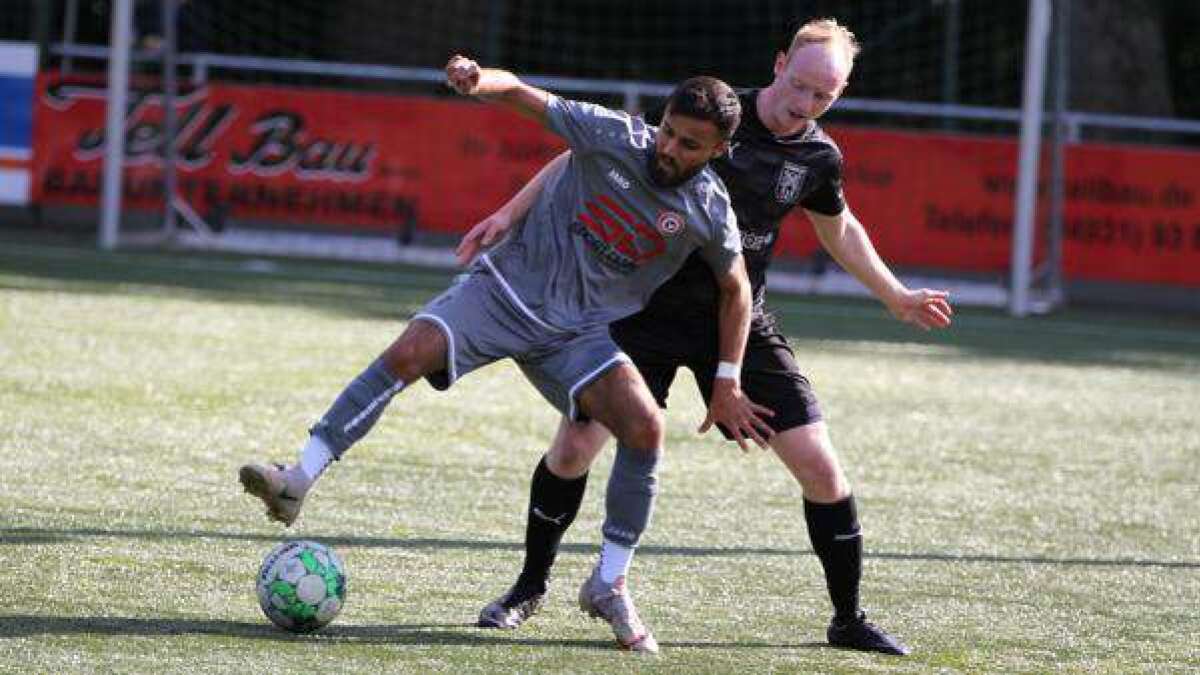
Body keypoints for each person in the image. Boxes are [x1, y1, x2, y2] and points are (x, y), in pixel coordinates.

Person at [239, 55, 774, 654]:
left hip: (576, 334)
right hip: (504, 291)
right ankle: (298, 478)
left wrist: (727, 379)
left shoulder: (708, 208)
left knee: (646, 427)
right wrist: (477, 82)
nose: (669, 148)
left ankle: (608, 582)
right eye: (670, 131)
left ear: (718, 149)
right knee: (410, 350)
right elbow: (522, 94)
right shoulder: (615, 135)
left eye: (689, 144)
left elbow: (736, 289)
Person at [470, 19, 953, 656]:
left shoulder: (817, 157)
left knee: (821, 468)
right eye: (800, 86)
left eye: (822, 98)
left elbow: (840, 228)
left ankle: (848, 618)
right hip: (643, 311)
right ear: (780, 62)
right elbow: (586, 152)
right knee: (573, 448)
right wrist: (511, 211)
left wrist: (896, 295)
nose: (803, 105)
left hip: (738, 320)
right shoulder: (712, 114)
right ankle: (528, 588)